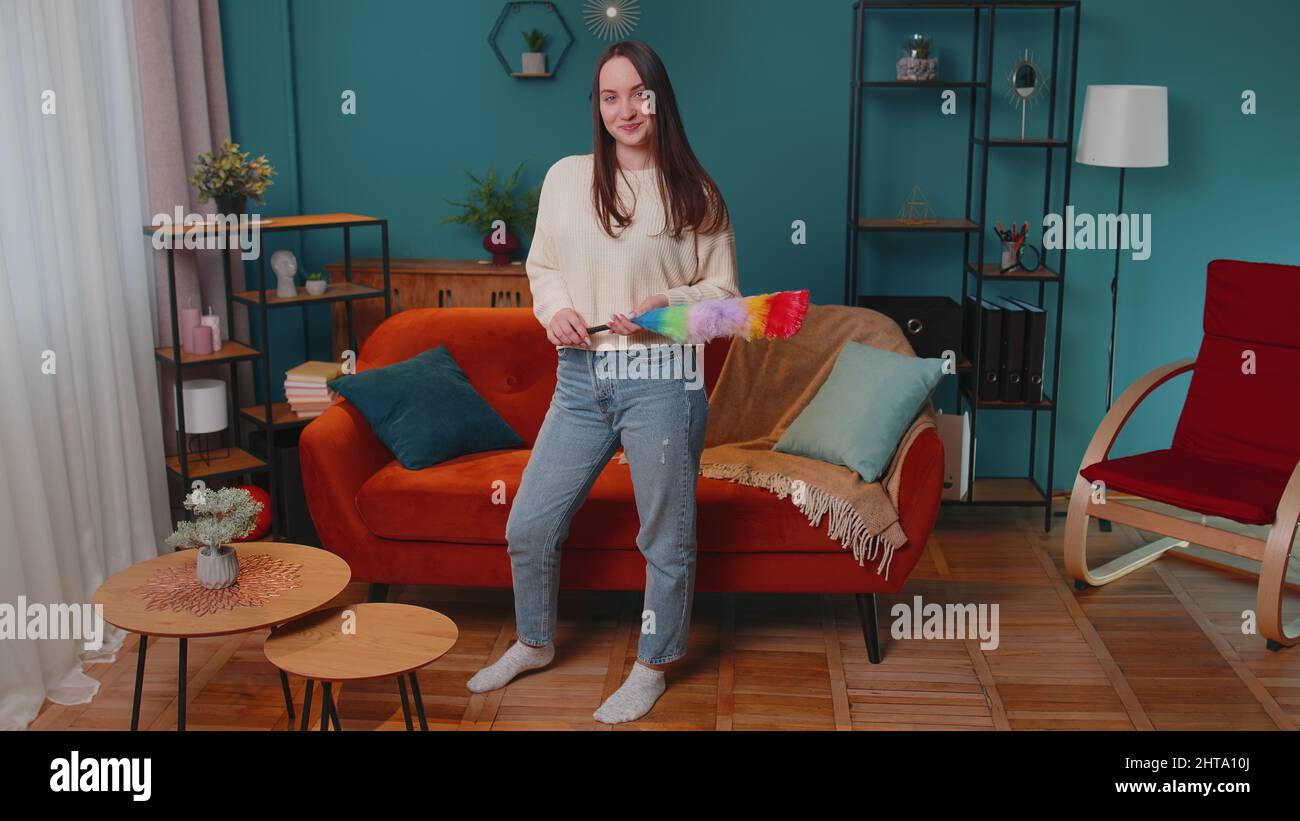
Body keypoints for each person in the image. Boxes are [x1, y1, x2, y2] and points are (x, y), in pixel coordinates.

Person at [465, 40, 740, 724]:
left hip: (663, 381)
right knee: (529, 522)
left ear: (659, 99)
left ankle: (653, 664)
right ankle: (533, 641)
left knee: (665, 536)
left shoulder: (696, 192)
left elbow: (726, 299)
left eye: (637, 93)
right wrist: (554, 309)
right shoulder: (566, 178)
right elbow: (545, 264)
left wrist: (663, 316)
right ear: (598, 105)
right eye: (609, 96)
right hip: (581, 378)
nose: (624, 108)